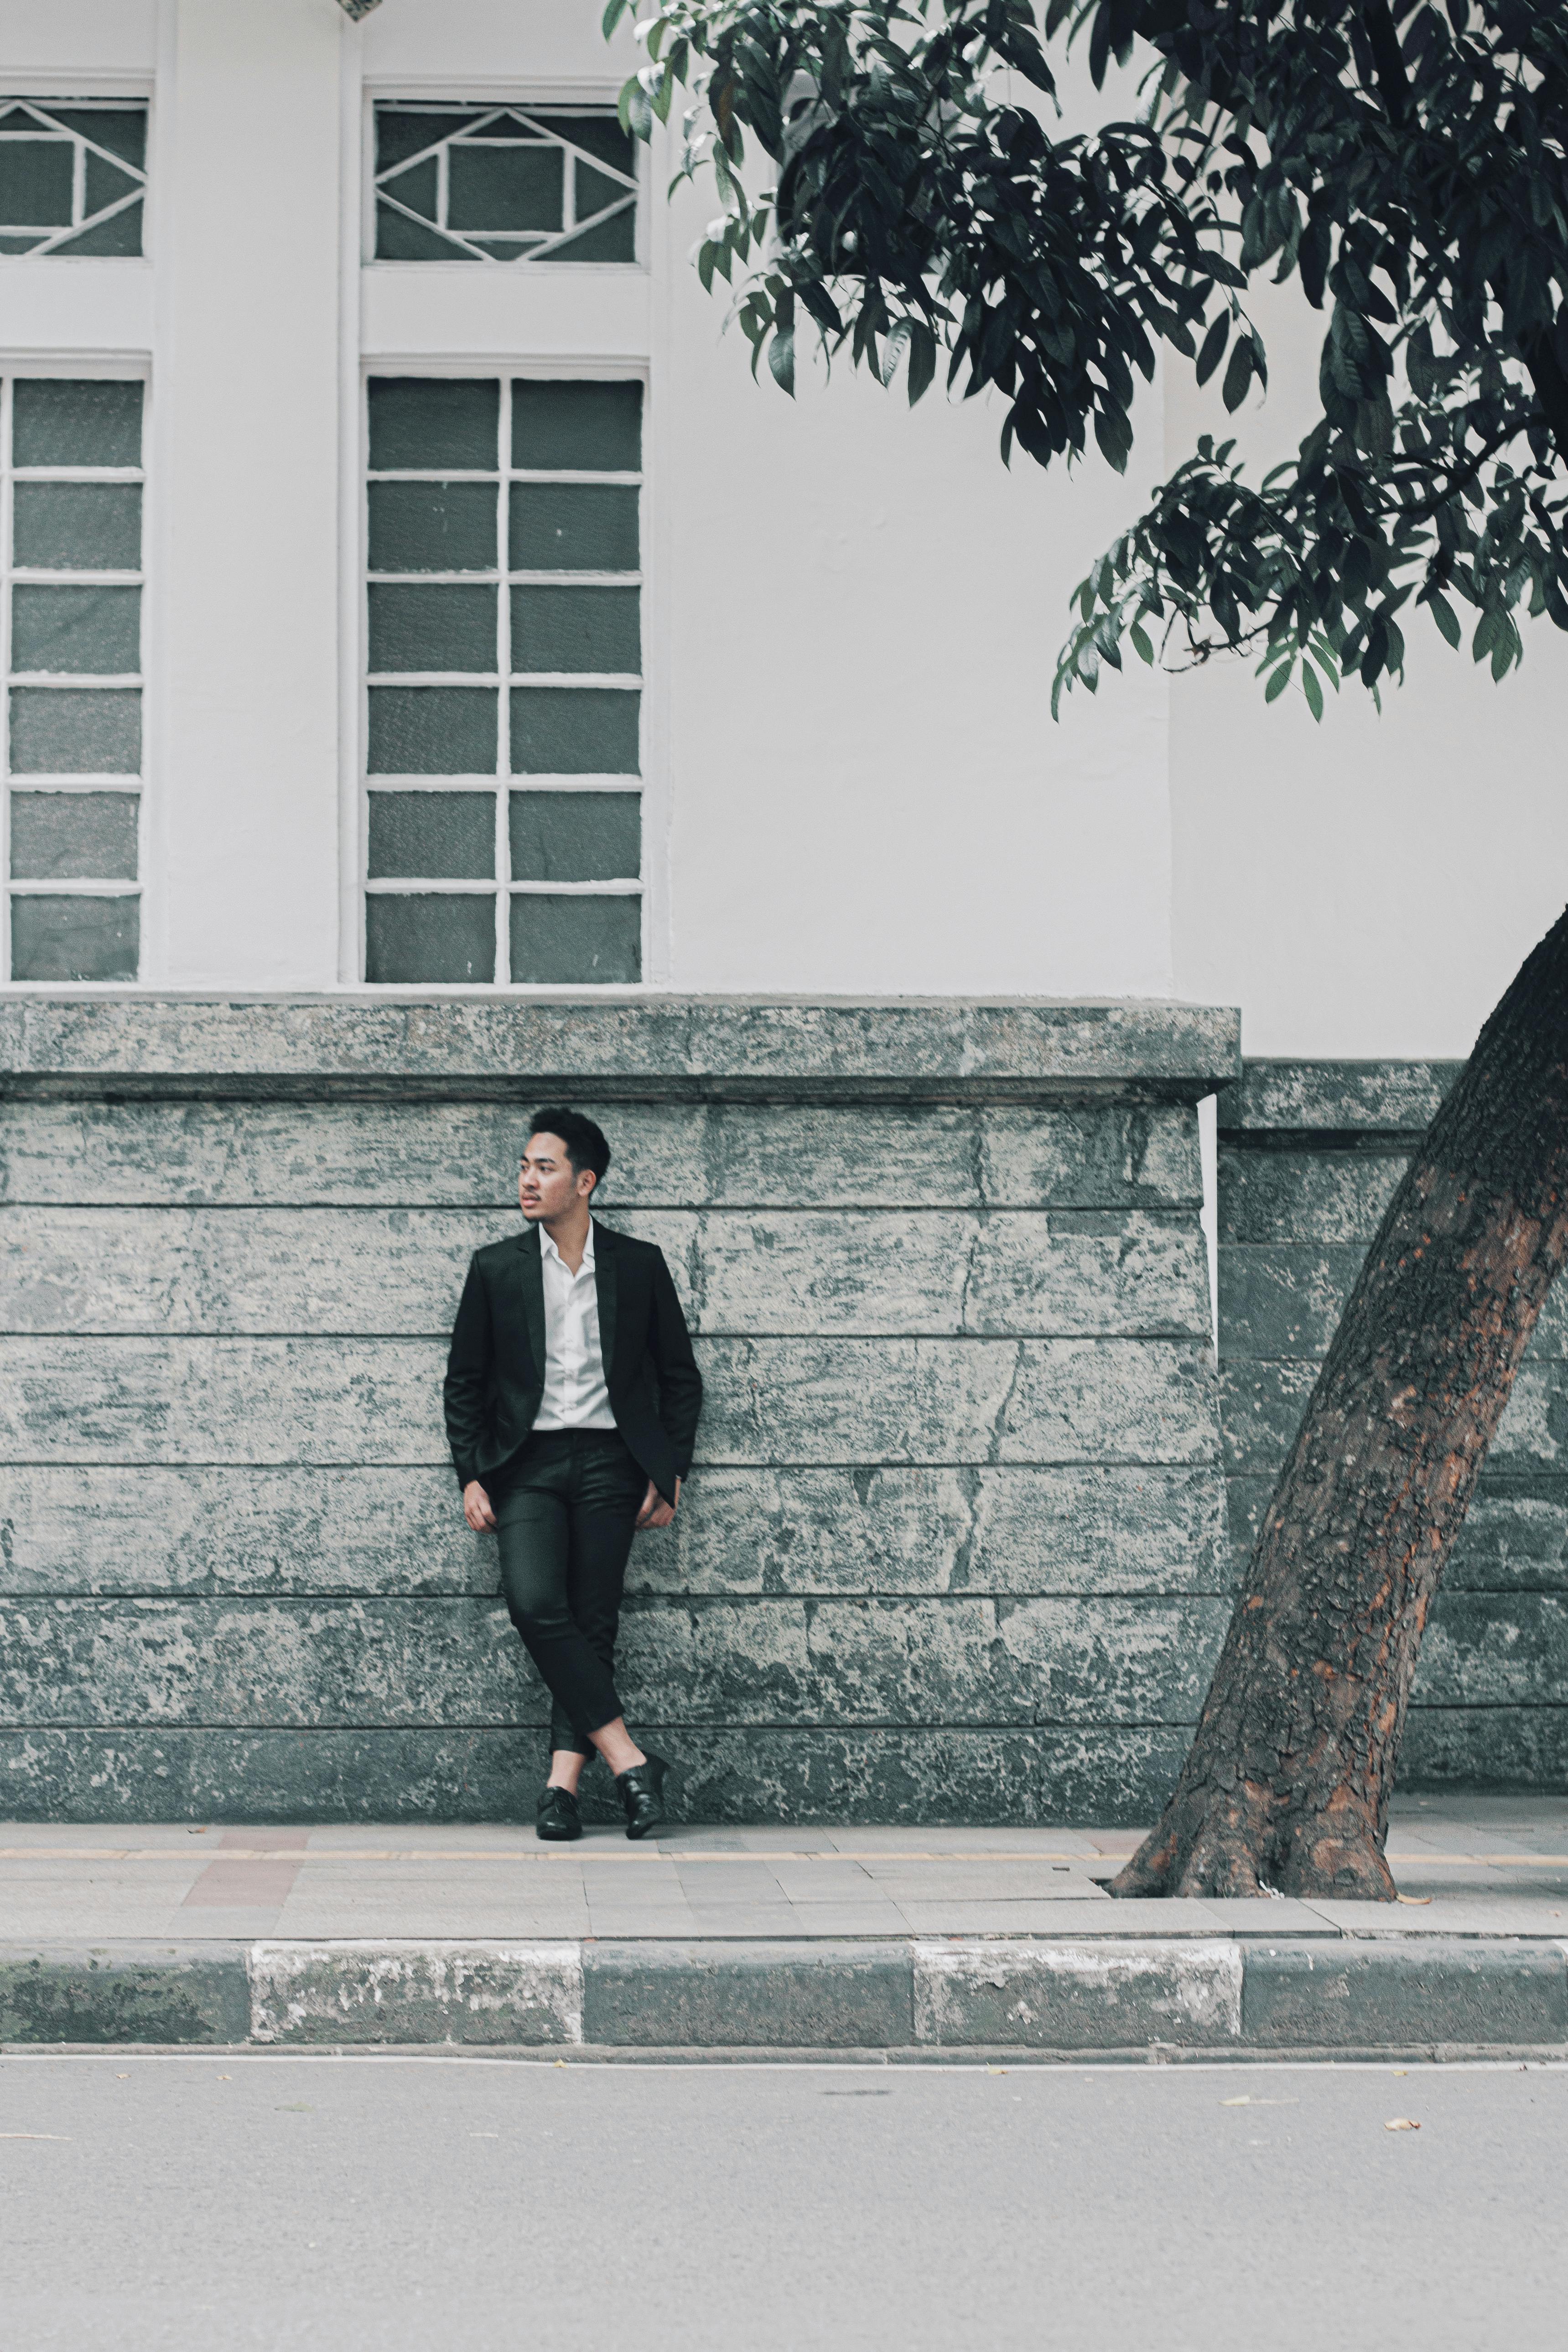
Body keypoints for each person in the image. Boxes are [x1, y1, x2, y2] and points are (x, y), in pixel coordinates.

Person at [443, 1109, 703, 1841]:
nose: (528, 1178)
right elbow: (464, 1382)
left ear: (585, 1182)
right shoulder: (495, 1267)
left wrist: (669, 1468)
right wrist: (471, 1473)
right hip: (524, 1465)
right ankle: (630, 1761)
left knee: (592, 1621)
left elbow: (679, 1378)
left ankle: (560, 1789)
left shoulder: (638, 1263)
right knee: (534, 1603)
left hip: (612, 1462)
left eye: (545, 1167)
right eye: (525, 1165)